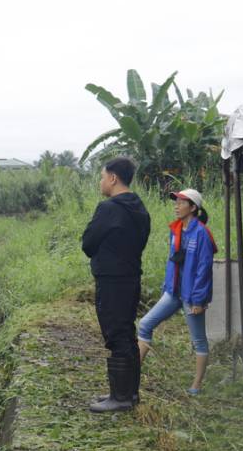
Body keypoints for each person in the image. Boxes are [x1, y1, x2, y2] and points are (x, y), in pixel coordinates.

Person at [81, 156, 151, 413]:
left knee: (115, 334)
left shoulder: (109, 208)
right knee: (127, 333)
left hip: (112, 280)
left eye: (102, 176)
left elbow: (88, 243)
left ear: (113, 178)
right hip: (131, 277)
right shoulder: (139, 207)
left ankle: (120, 398)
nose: (101, 182)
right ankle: (128, 393)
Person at [137, 188, 215, 395]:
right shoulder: (177, 229)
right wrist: (167, 286)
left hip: (191, 297)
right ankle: (132, 374)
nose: (176, 206)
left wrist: (198, 300)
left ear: (193, 208)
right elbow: (173, 262)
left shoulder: (202, 234)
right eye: (176, 202)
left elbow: (203, 269)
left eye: (181, 202)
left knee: (198, 340)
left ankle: (196, 386)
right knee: (144, 325)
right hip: (173, 293)